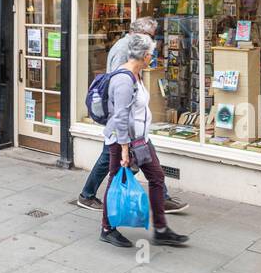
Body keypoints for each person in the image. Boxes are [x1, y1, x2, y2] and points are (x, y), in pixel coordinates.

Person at [77, 17, 188, 214]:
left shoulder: (128, 46)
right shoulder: (124, 49)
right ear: (141, 34)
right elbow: (119, 86)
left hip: (131, 123)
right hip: (123, 121)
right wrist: (125, 134)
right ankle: (96, 202)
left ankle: (162, 198)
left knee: (127, 159)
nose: (153, 42)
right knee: (112, 160)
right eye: (151, 36)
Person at [100, 33, 189, 248]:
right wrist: (123, 148)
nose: (154, 56)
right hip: (123, 142)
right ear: (145, 55)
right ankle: (106, 228)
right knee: (116, 180)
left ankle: (160, 229)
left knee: (157, 177)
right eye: (152, 53)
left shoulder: (138, 74)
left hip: (141, 139)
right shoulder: (123, 78)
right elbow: (120, 117)